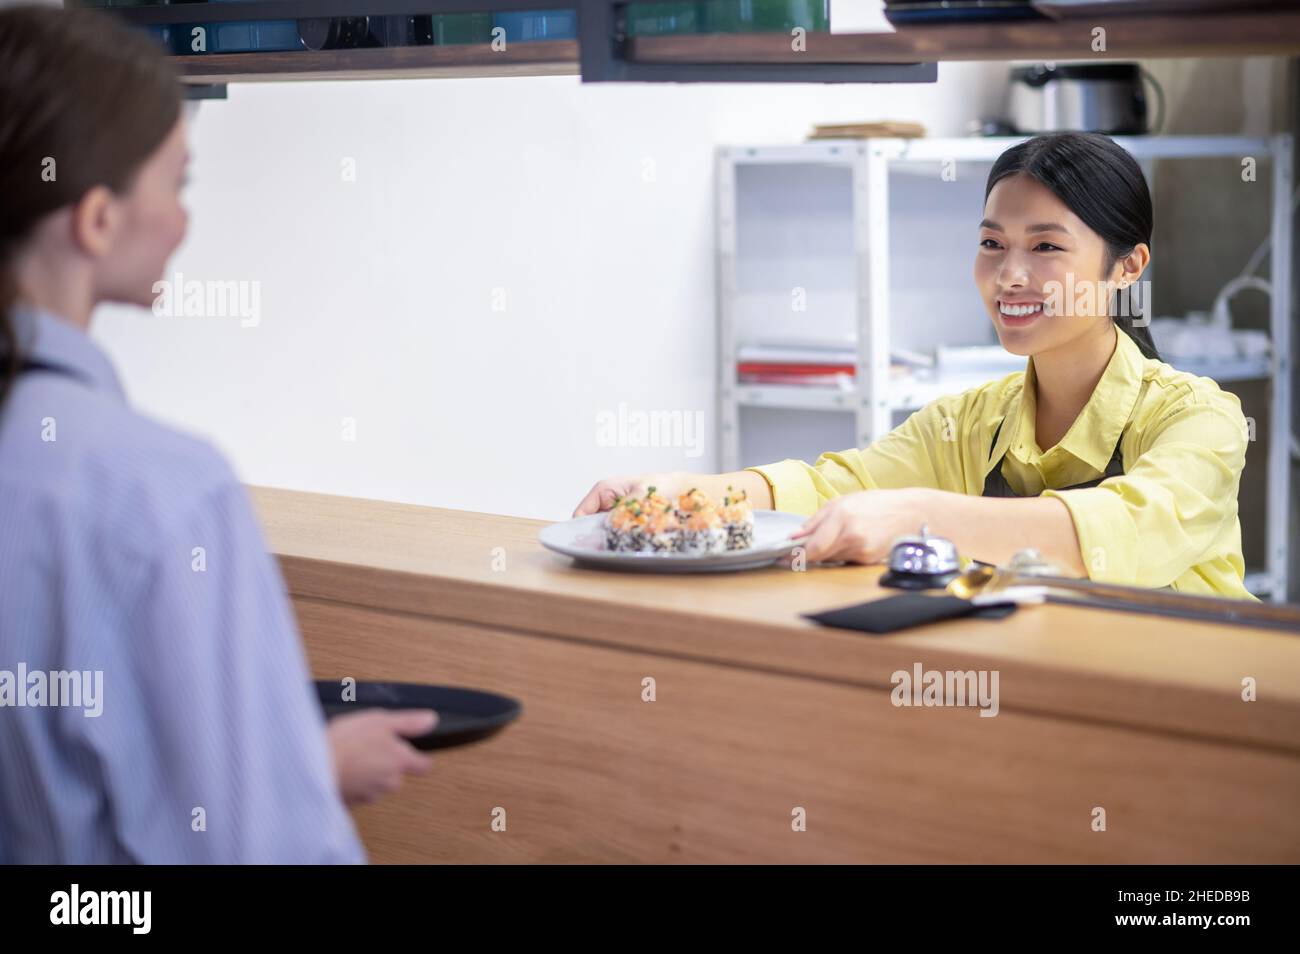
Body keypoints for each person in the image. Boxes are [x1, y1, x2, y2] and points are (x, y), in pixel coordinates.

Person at [0, 4, 433, 863]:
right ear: (96, 220)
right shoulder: (164, 492)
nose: (185, 220)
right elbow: (251, 848)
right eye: (177, 183)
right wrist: (306, 778)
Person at [576, 132, 1254, 600]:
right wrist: (683, 495)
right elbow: (834, 484)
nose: (1010, 275)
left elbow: (1117, 531)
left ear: (1128, 266)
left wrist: (916, 515)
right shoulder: (971, 421)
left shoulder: (1200, 420)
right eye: (992, 243)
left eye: (1046, 246)